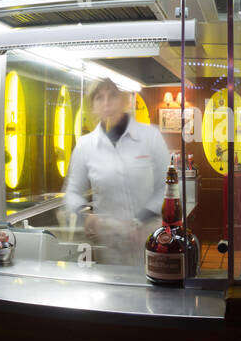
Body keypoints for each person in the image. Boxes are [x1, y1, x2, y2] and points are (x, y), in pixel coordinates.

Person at [63, 77, 171, 265]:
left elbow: (167, 188)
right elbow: (72, 192)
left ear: (124, 101)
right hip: (111, 245)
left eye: (112, 96)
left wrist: (140, 220)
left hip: (151, 239)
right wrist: (85, 214)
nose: (106, 104)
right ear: (93, 106)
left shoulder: (150, 136)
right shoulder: (85, 145)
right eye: (99, 98)